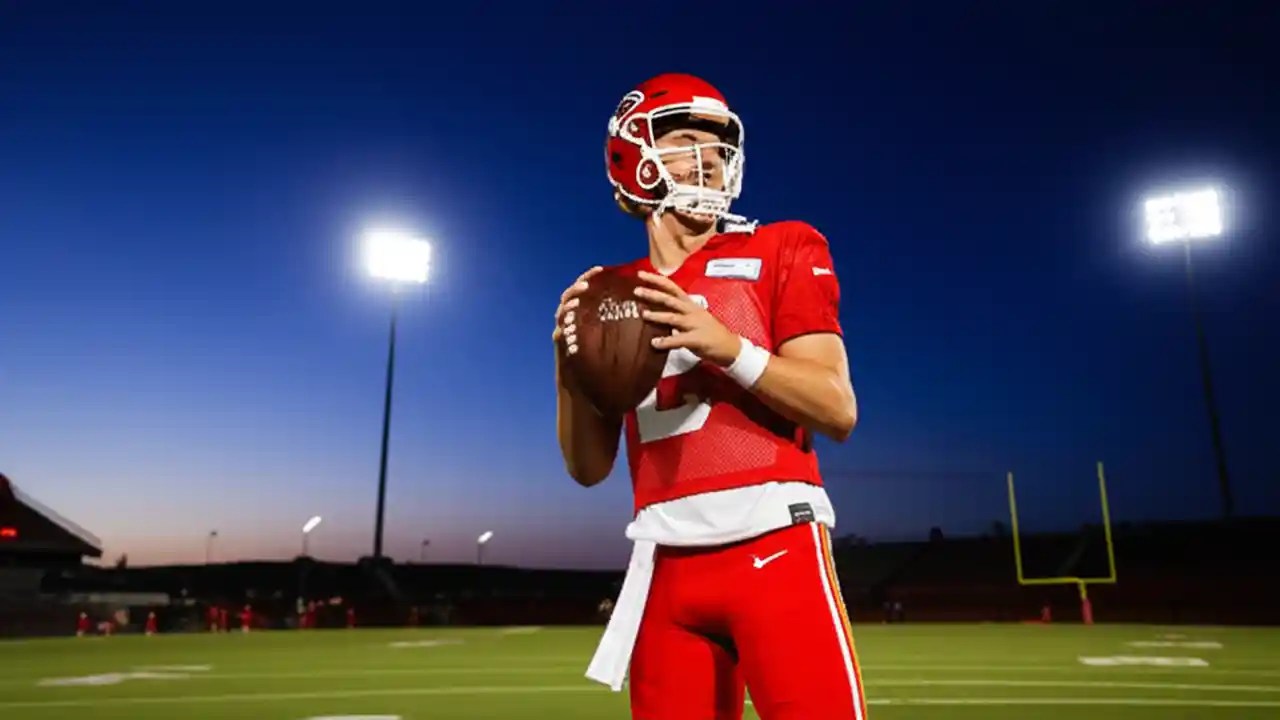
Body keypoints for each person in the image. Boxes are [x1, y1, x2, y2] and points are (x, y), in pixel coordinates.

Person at [555, 72, 865, 719]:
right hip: (665, 564)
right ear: (633, 159)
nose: (712, 160)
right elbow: (588, 470)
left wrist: (730, 347)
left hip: (773, 544)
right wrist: (570, 367)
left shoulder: (781, 246)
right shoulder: (611, 293)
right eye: (688, 139)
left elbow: (837, 408)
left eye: (719, 147)